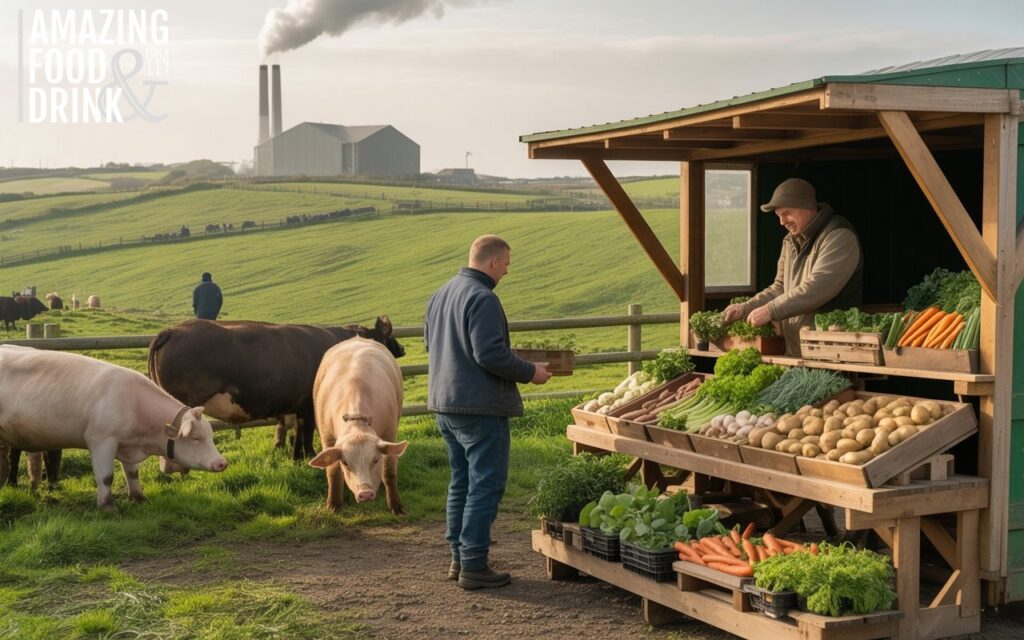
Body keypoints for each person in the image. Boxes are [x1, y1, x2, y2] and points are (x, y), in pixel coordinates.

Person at [424, 234, 552, 590]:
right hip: (480, 407)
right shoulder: (484, 298)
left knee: (460, 482)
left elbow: (431, 344)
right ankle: (475, 566)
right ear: (494, 262)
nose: (507, 272)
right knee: (485, 486)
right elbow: (489, 354)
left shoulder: (441, 294)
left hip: (444, 404)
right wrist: (531, 372)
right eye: (507, 265)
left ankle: (458, 559)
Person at [722, 178, 863, 356]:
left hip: (833, 352)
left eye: (787, 213)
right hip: (798, 349)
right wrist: (746, 308)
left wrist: (771, 310)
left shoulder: (838, 236)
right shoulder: (790, 241)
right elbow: (780, 287)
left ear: (806, 207)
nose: (782, 222)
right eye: (779, 215)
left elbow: (819, 286)